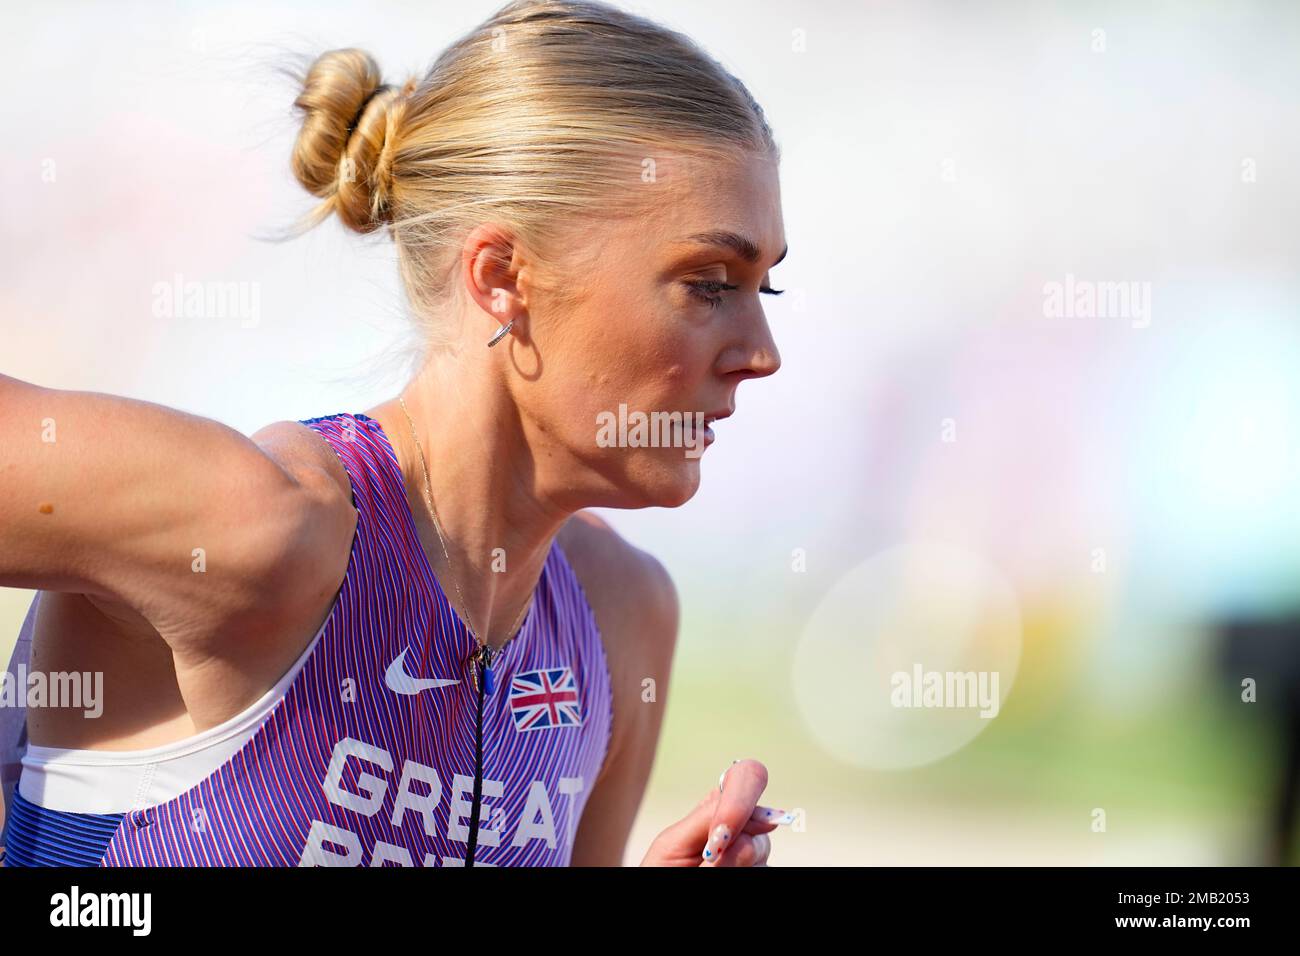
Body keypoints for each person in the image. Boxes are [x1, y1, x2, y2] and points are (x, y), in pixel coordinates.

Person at [0, 0, 789, 866]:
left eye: (765, 289)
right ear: (501, 278)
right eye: (709, 283)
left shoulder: (620, 617)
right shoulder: (258, 533)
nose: (762, 354)